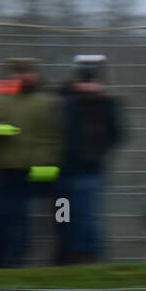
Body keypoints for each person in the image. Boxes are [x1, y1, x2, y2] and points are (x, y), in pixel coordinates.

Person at [0, 58, 62, 268]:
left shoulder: (47, 102)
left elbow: (56, 138)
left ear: (36, 75)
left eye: (26, 72)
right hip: (0, 169)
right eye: (17, 72)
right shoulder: (0, 99)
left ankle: (15, 264)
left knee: (20, 221)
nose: (22, 76)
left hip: (28, 171)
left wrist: (47, 169)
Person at [56, 55, 124, 264]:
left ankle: (88, 256)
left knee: (86, 215)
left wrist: (95, 153)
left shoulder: (106, 105)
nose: (87, 85)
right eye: (84, 80)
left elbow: (116, 133)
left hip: (89, 170)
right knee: (64, 216)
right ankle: (66, 254)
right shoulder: (66, 102)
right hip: (63, 170)